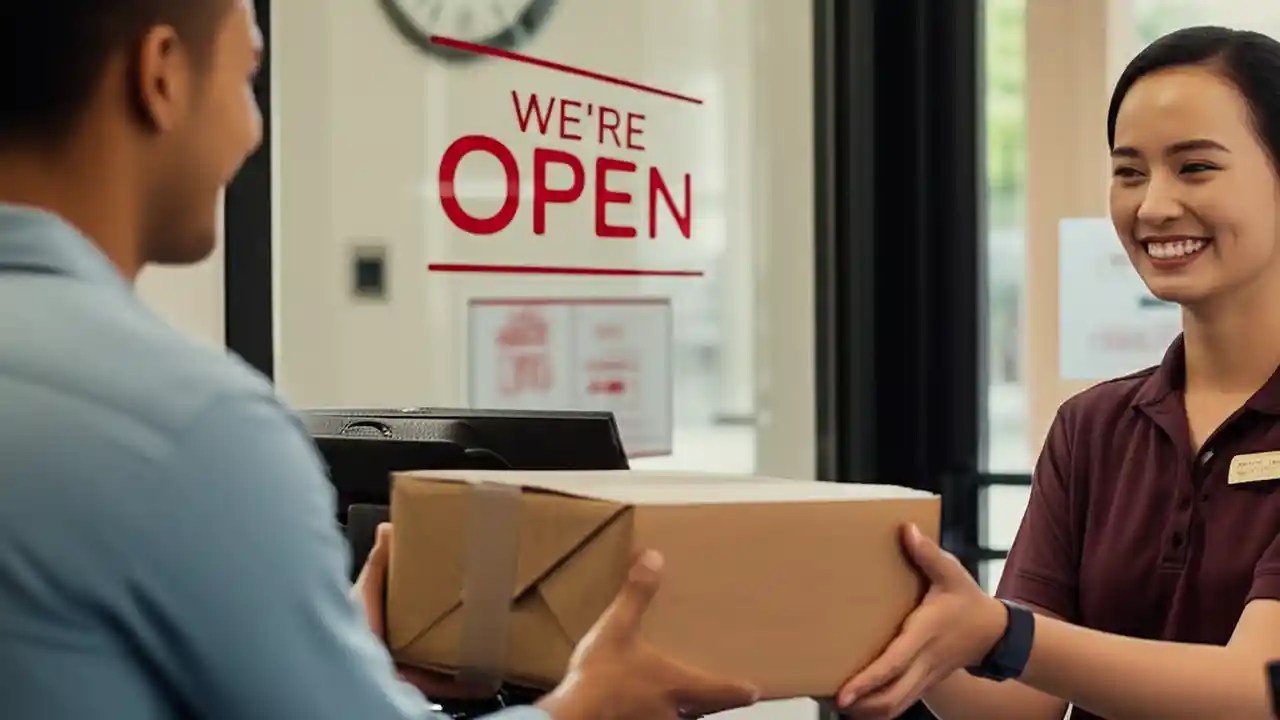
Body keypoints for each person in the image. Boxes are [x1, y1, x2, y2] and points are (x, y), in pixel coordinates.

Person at [0, 2, 759, 719]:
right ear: (160, 76)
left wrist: (333, 662)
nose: (253, 131)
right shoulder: (184, 428)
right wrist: (584, 712)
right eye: (246, 78)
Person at [833, 24, 1280, 720]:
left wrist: (1002, 633)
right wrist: (868, 637)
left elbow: (1259, 689)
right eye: (1129, 172)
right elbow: (1020, 707)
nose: (1153, 206)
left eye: (1194, 167)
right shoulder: (1094, 427)